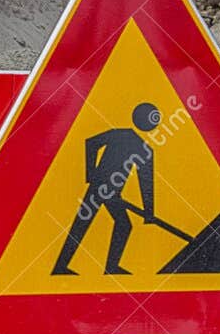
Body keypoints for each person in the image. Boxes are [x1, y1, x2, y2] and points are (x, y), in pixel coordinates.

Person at [51, 103, 162, 277]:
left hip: (111, 192)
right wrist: (91, 175)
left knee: (115, 224)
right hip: (100, 188)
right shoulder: (140, 146)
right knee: (84, 224)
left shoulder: (130, 140)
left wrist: (149, 212)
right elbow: (91, 143)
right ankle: (62, 266)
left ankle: (107, 268)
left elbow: (145, 182)